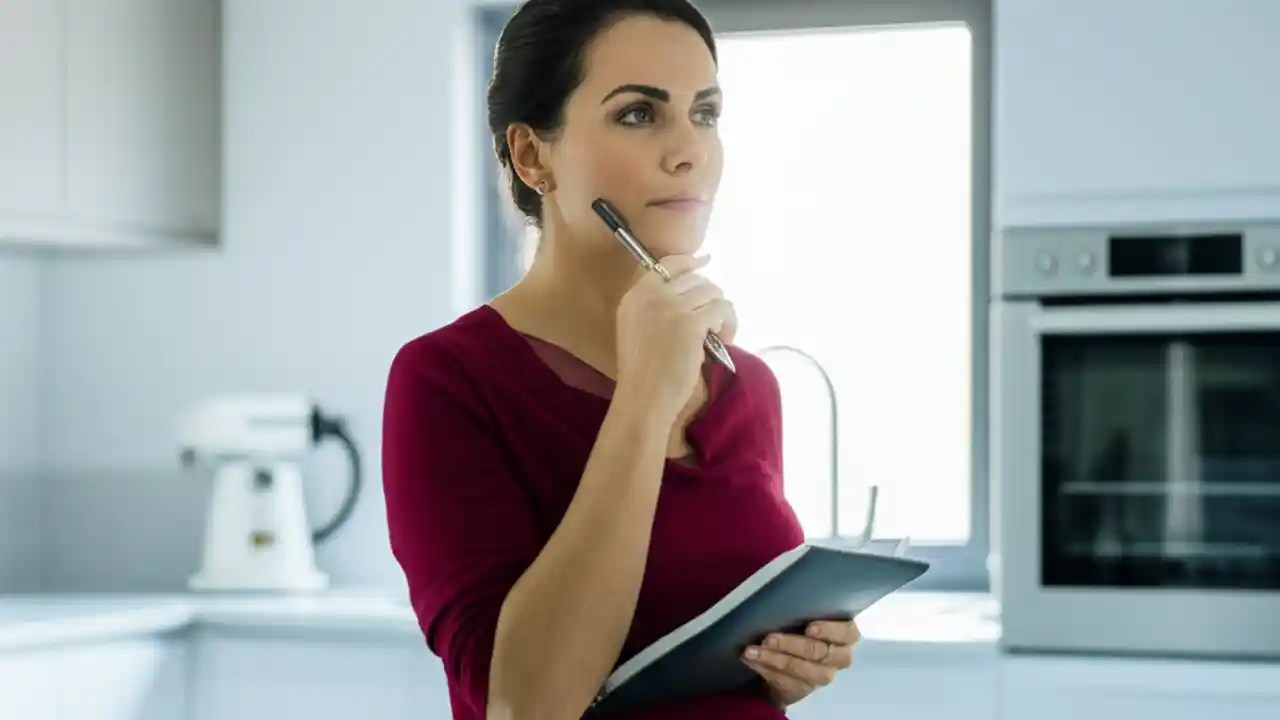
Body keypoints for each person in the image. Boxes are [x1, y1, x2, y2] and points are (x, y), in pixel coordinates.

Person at [382, 1, 860, 717]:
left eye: (705, 112)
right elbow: (527, 704)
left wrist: (789, 659)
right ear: (531, 155)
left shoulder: (746, 384)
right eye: (639, 114)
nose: (689, 150)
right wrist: (644, 394)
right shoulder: (446, 381)